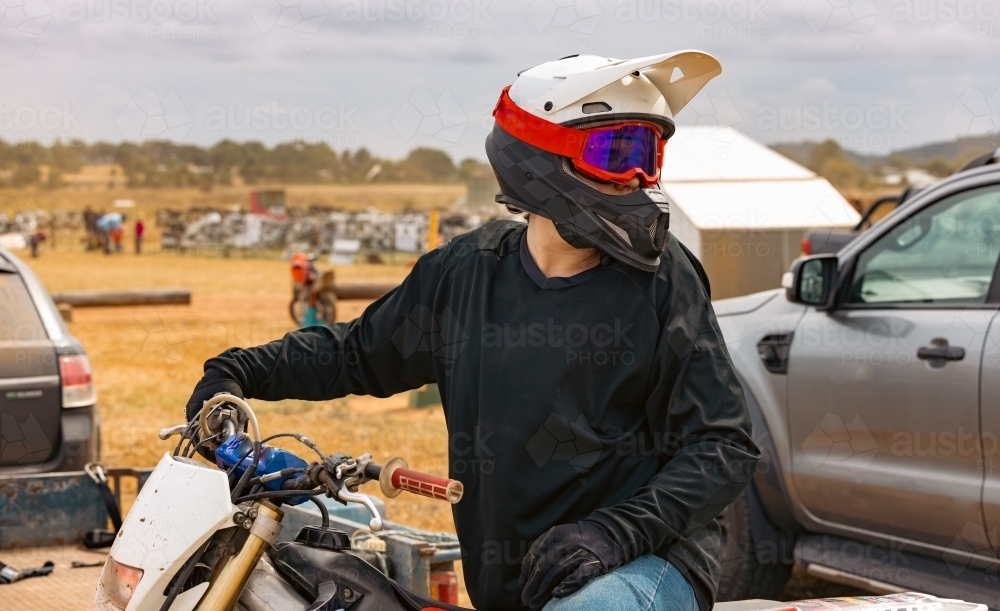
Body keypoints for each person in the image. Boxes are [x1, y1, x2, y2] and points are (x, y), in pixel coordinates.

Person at [186, 50, 759, 611]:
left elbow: (724, 444)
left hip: (643, 563)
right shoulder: (465, 272)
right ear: (537, 158)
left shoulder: (664, 282)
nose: (637, 177)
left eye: (650, 155)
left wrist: (617, 533)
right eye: (617, 152)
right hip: (514, 582)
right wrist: (239, 370)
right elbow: (356, 354)